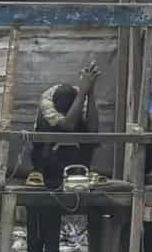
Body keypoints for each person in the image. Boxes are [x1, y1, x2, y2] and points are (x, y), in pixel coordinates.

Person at [28, 61, 101, 189]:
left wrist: (91, 91)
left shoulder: (80, 95)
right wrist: (84, 91)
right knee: (45, 126)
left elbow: (93, 129)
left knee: (89, 131)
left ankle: (83, 170)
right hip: (49, 156)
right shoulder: (47, 100)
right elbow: (68, 125)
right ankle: (39, 170)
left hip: (76, 157)